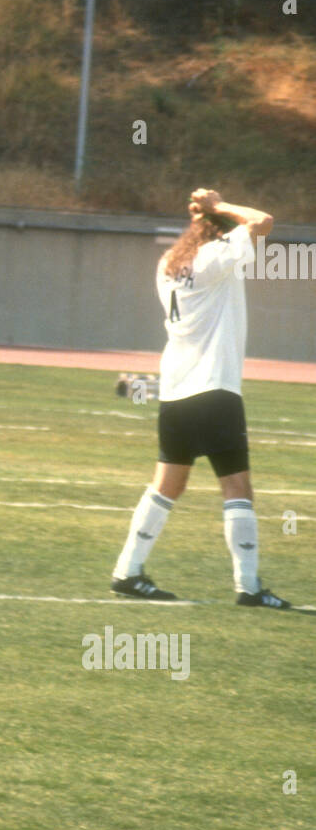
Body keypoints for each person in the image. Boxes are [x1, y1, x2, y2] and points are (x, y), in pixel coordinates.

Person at [111, 187, 291, 608]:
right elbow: (262, 221)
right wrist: (219, 206)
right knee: (237, 487)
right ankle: (249, 587)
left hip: (175, 394)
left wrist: (206, 214)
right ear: (222, 231)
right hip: (214, 390)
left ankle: (127, 570)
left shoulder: (168, 265)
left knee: (166, 486)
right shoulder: (215, 257)